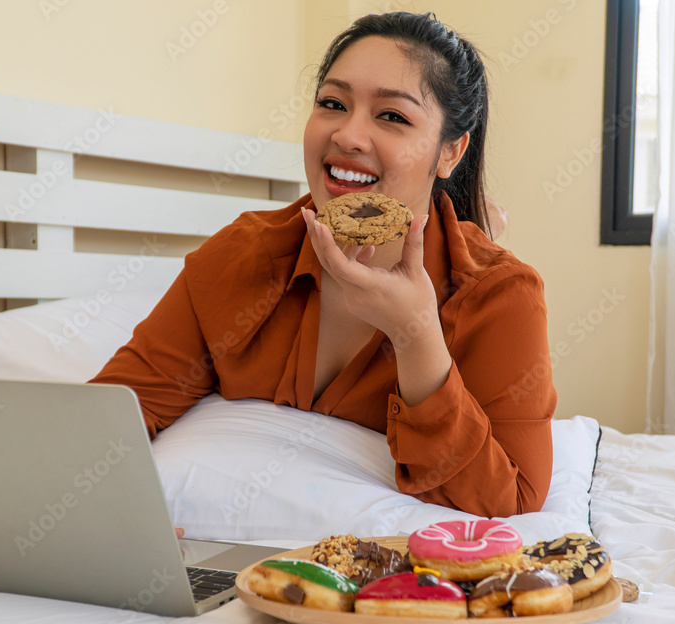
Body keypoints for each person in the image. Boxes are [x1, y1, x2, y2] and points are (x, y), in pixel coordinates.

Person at [89, 11, 556, 518]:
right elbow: (106, 420)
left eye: (392, 116)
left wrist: (416, 336)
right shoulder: (241, 256)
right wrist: (125, 516)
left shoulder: (501, 295)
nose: (348, 135)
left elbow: (513, 502)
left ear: (449, 152)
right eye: (333, 104)